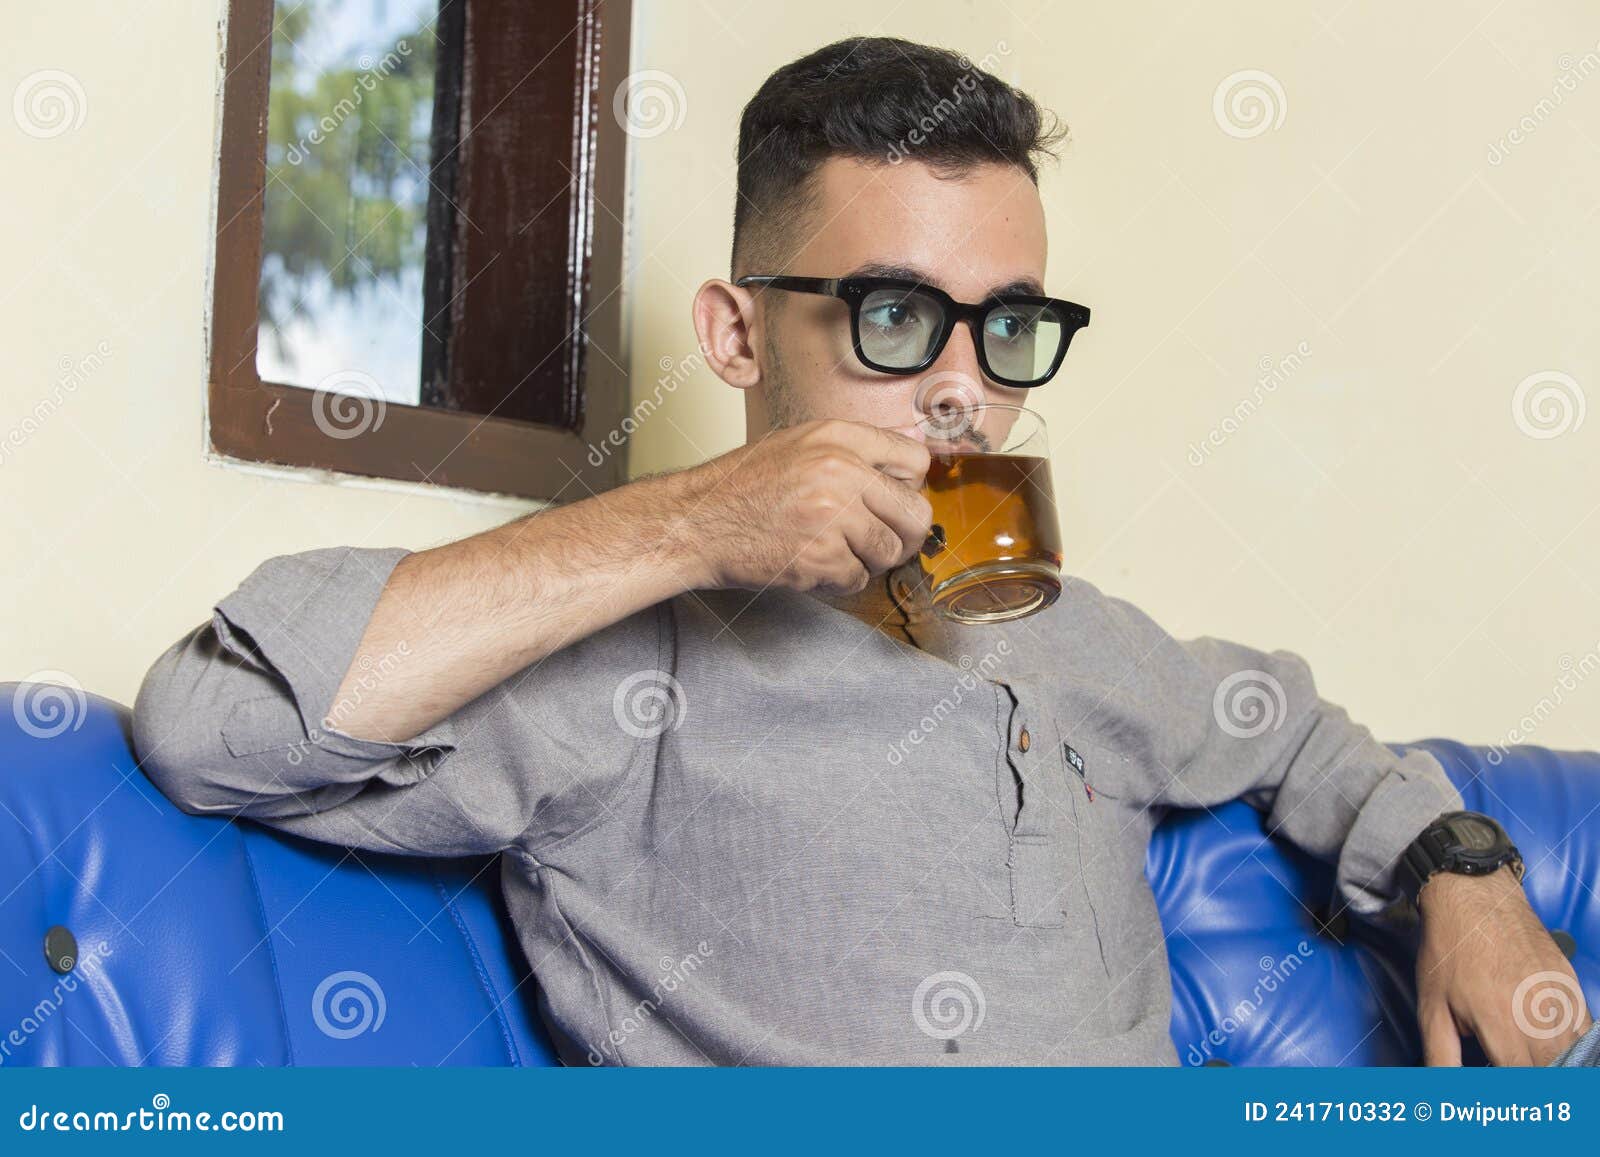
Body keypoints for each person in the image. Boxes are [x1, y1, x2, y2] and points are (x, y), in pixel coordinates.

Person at [134, 36, 1589, 1066]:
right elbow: (213, 726)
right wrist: (698, 518)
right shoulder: (621, 667)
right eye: (896, 314)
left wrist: (1466, 873)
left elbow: (1296, 730)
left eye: (1008, 323)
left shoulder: (1084, 641)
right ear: (736, 332)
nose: (964, 385)